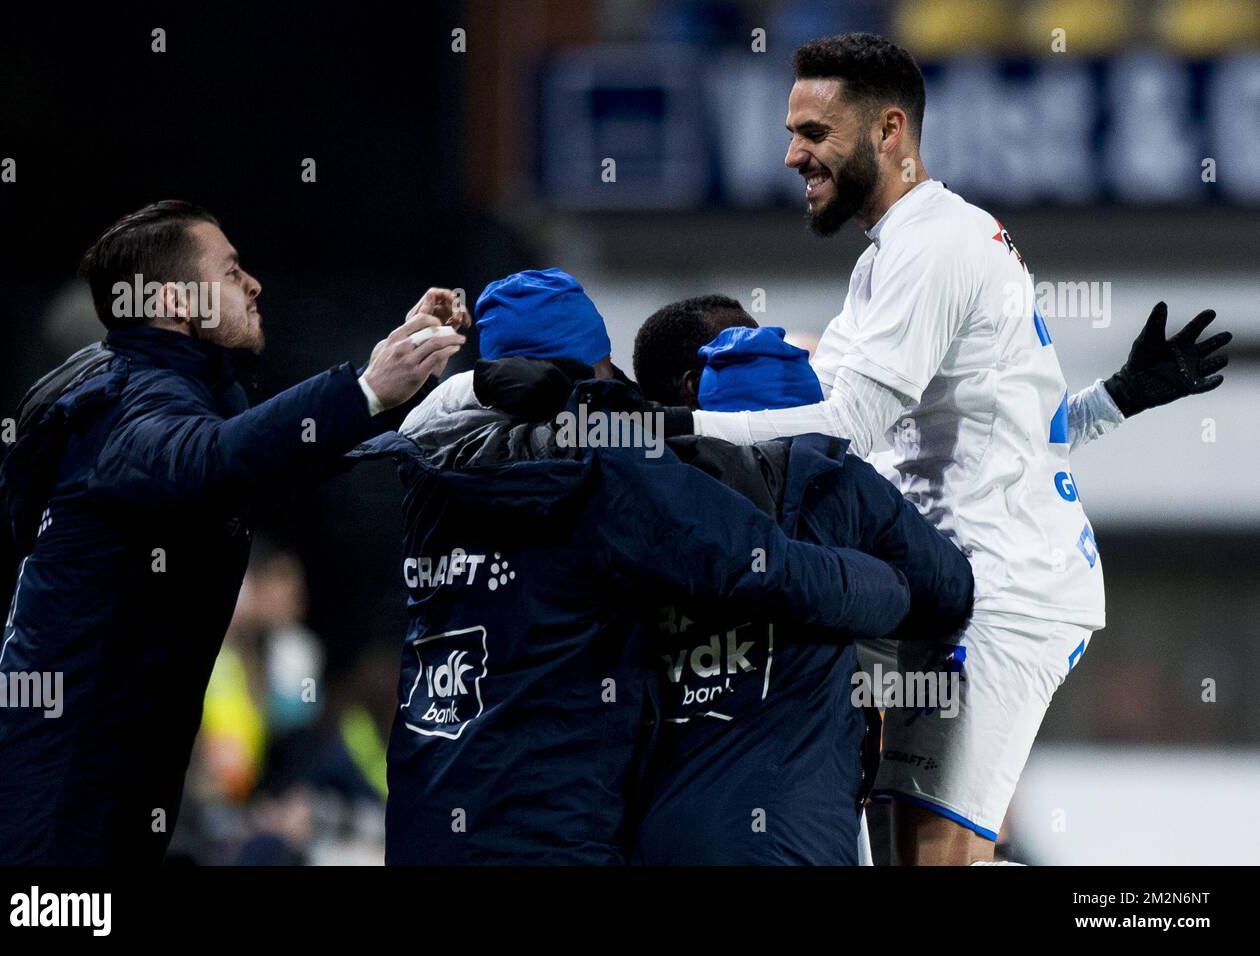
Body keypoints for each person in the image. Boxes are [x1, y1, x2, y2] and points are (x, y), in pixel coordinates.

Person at [678, 34, 1233, 864]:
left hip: (1004, 593)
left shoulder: (932, 247)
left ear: (888, 130)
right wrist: (1121, 397)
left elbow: (852, 424)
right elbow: (1019, 429)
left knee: (931, 858)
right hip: (950, 584)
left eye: (814, 133)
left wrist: (664, 431)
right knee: (895, 844)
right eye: (793, 131)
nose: (793, 153)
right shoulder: (906, 251)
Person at [0, 200, 464, 864]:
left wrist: (397, 384)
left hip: (96, 800)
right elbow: (217, 457)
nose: (252, 283)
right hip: (45, 816)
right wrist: (368, 387)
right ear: (175, 299)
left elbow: (271, 455)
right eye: (229, 270)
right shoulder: (128, 408)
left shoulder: (185, 397)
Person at [356, 269, 914, 864]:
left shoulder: (423, 470)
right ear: (585, 370)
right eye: (605, 363)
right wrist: (890, 584)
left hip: (422, 825)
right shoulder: (603, 463)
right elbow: (767, 566)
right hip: (554, 839)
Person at [626, 324, 974, 864]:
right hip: (795, 837)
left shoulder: (645, 496)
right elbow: (949, 592)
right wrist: (872, 588)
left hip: (659, 835)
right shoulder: (841, 482)